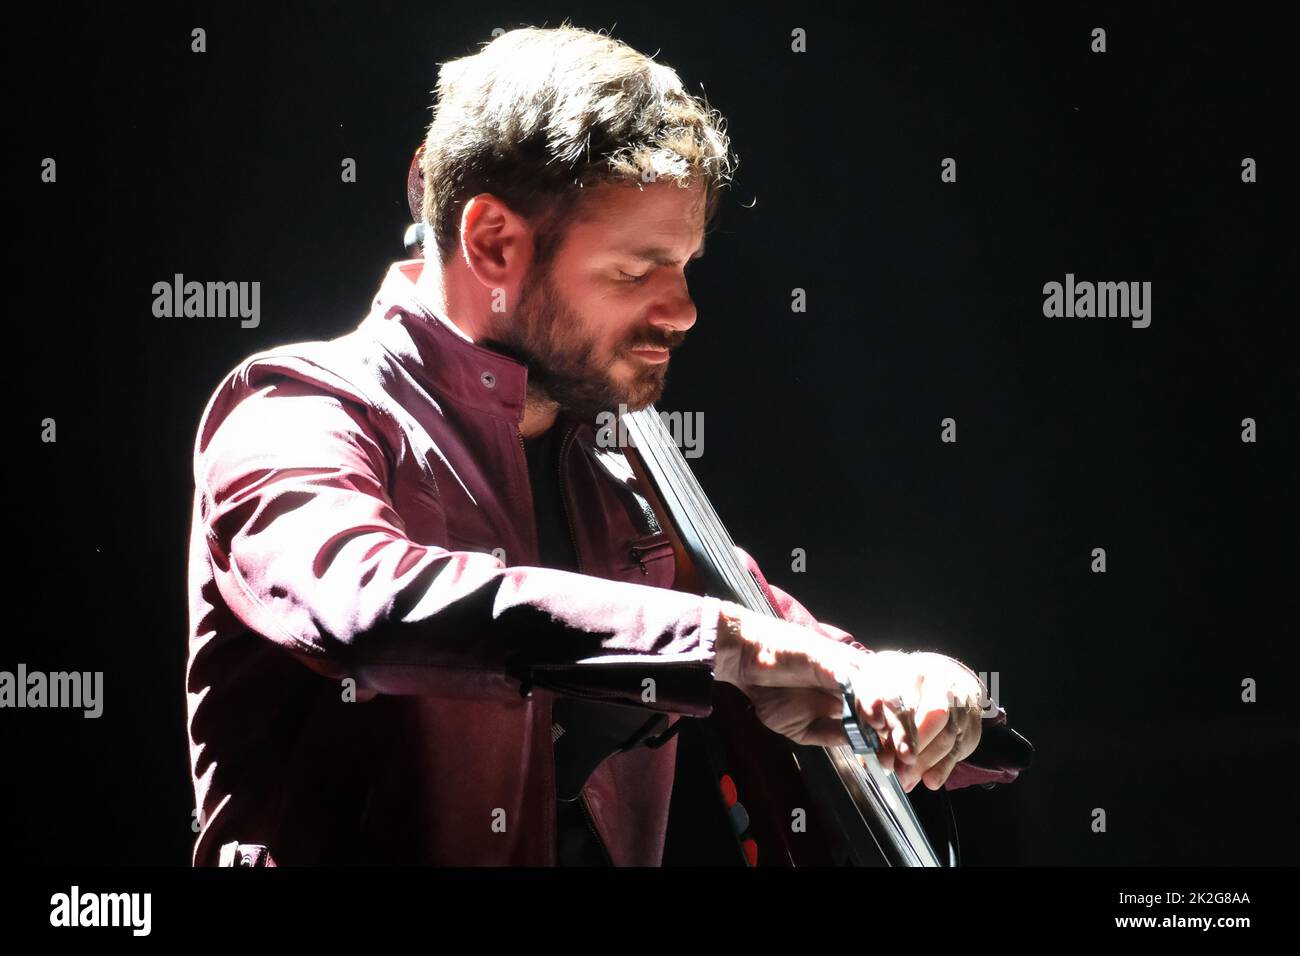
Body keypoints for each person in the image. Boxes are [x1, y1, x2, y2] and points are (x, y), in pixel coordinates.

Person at [186, 23, 1023, 867]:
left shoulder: (622, 472)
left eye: (686, 265)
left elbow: (796, 654)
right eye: (635, 270)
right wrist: (732, 646)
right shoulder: (294, 408)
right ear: (493, 243)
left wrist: (916, 690)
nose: (683, 310)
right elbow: (369, 607)